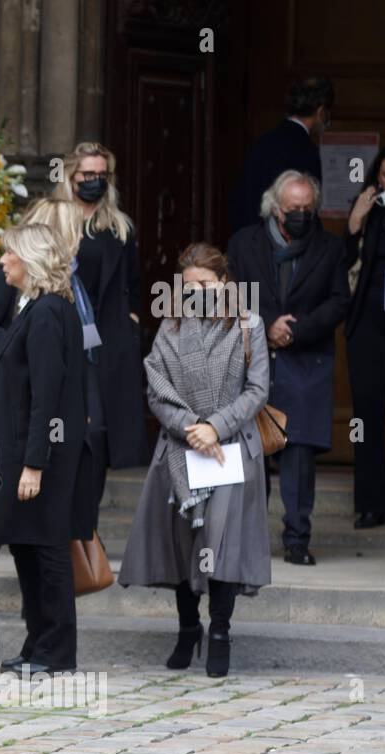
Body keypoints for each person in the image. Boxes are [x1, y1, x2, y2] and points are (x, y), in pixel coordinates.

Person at [119, 243, 271, 678]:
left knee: (221, 543)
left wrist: (215, 427)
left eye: (204, 284)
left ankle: (220, 632)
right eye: (188, 286)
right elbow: (156, 389)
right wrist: (190, 427)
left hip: (229, 451)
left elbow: (258, 390)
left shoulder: (249, 325)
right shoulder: (171, 327)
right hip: (180, 449)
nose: (196, 292)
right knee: (183, 543)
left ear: (224, 282)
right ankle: (189, 629)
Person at [0, 223, 93, 677]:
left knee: (47, 553)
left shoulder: (46, 313)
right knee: (25, 549)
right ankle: (37, 642)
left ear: (32, 259)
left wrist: (34, 465)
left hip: (39, 456)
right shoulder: (37, 308)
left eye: (10, 255)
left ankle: (56, 652)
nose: (3, 262)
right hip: (22, 453)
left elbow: (47, 395)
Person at [228, 170, 349, 565]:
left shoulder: (329, 248)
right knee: (252, 454)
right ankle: (249, 537)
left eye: (307, 209)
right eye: (292, 209)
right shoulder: (244, 243)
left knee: (298, 456)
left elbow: (338, 301)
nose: (300, 214)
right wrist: (268, 323)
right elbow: (230, 295)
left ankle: (297, 539)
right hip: (254, 362)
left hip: (305, 361)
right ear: (275, 208)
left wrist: (296, 329)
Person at [53, 142, 146, 509]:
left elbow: (134, 284)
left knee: (98, 432)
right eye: (87, 175)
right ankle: (61, 526)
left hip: (105, 341)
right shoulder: (53, 221)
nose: (94, 181)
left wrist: (132, 321)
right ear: (71, 176)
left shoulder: (119, 227)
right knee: (62, 429)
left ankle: (85, 527)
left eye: (101, 175)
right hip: (60, 334)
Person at [344, 142, 385, 529]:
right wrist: (354, 223)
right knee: (365, 414)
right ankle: (371, 503)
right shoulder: (366, 208)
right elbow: (344, 261)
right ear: (376, 178)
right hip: (367, 317)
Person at [229, 76, 334, 234]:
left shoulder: (262, 141)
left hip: (250, 241)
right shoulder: (306, 149)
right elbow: (309, 208)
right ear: (320, 112)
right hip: (284, 244)